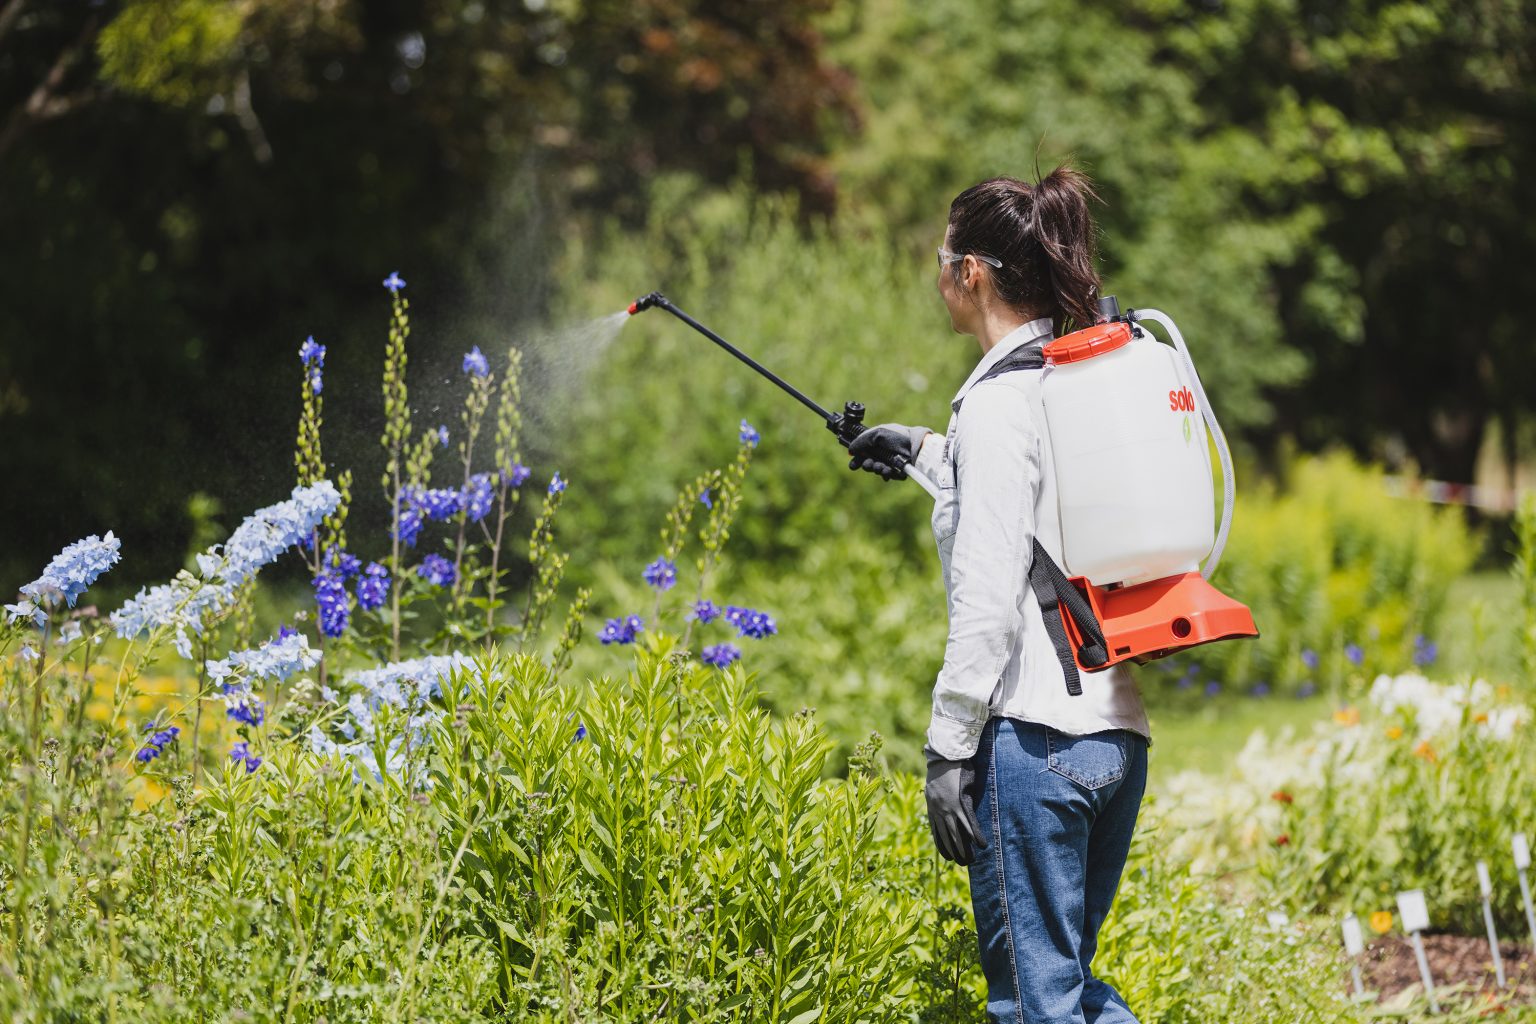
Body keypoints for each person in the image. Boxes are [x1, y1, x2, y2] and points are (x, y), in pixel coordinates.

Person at [847, 168, 1154, 1024]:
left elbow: (987, 594)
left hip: (1034, 745)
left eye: (942, 260)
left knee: (1029, 1005)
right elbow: (1032, 509)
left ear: (971, 272)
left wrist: (949, 750)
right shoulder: (1078, 377)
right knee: (1070, 990)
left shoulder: (996, 405)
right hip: (1115, 737)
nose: (938, 275)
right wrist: (915, 449)